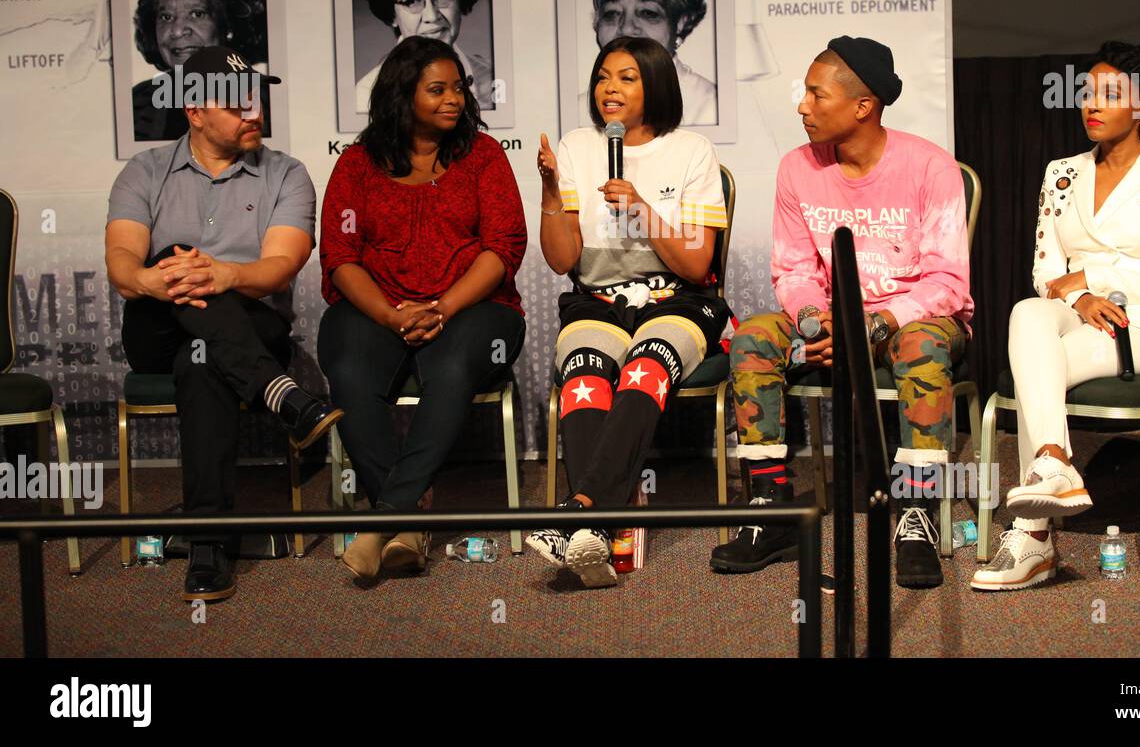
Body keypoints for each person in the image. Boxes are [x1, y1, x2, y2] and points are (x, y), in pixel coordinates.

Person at [711, 37, 974, 590]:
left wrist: (870, 324)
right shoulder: (796, 169)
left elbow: (947, 282)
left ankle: (916, 513)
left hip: (908, 321)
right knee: (755, 336)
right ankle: (772, 508)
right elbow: (794, 269)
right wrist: (813, 320)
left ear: (863, 106)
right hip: (829, 320)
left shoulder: (930, 167)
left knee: (921, 346)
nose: (801, 105)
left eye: (815, 93)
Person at [105, 45, 342, 603]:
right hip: (155, 325)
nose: (254, 112)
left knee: (202, 359)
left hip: (250, 323)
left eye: (256, 99)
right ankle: (282, 396)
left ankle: (207, 544)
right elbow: (122, 263)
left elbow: (280, 269)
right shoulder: (144, 172)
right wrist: (155, 280)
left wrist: (222, 276)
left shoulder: (287, 173)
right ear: (193, 110)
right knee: (175, 255)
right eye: (237, 103)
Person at [971, 38, 1140, 591]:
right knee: (1029, 314)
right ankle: (1054, 461)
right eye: (1086, 93)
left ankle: (1032, 539)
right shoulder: (1061, 173)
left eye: (1109, 94)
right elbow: (1045, 273)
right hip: (1075, 312)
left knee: (1038, 368)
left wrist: (1096, 278)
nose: (1091, 105)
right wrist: (1078, 297)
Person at [318, 36, 527, 581]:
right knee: (347, 366)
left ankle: (383, 520)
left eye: (458, 87)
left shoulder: (483, 156)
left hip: (474, 304)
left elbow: (503, 247)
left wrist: (443, 305)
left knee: (452, 365)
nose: (453, 99)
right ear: (401, 93)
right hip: (378, 304)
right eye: (437, 89)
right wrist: (390, 315)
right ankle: (409, 520)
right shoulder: (357, 165)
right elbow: (340, 257)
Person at [527, 35, 730, 587]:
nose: (609, 89)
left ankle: (584, 513)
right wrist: (550, 192)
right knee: (585, 374)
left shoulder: (690, 151)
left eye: (626, 78)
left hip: (678, 300)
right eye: (602, 77)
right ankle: (595, 532)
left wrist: (640, 208)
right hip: (596, 299)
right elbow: (562, 259)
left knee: (645, 366)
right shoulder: (575, 147)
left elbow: (696, 265)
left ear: (656, 84)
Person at [355, 0, 493, 116]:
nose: (431, 15)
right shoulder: (366, 95)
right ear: (391, 13)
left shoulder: (492, 77)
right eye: (411, 1)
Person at [131, 0, 271, 142]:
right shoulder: (136, 103)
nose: (177, 30)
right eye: (166, 17)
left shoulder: (269, 105)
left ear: (229, 24)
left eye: (197, 14)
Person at [580, 0, 715, 127]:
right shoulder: (580, 111)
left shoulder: (709, 105)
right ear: (596, 22)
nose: (626, 28)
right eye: (612, 13)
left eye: (647, 12)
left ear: (680, 21)